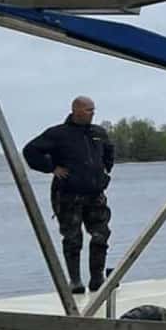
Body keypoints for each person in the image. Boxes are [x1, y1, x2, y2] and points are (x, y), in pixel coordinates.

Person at [23, 96, 114, 294]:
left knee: (101, 235)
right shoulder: (58, 134)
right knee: (73, 238)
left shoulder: (98, 133)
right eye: (89, 109)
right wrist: (52, 168)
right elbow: (30, 151)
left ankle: (97, 278)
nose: (93, 113)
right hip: (68, 195)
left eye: (93, 109)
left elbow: (109, 151)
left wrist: (105, 170)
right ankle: (75, 281)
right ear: (77, 110)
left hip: (95, 194)